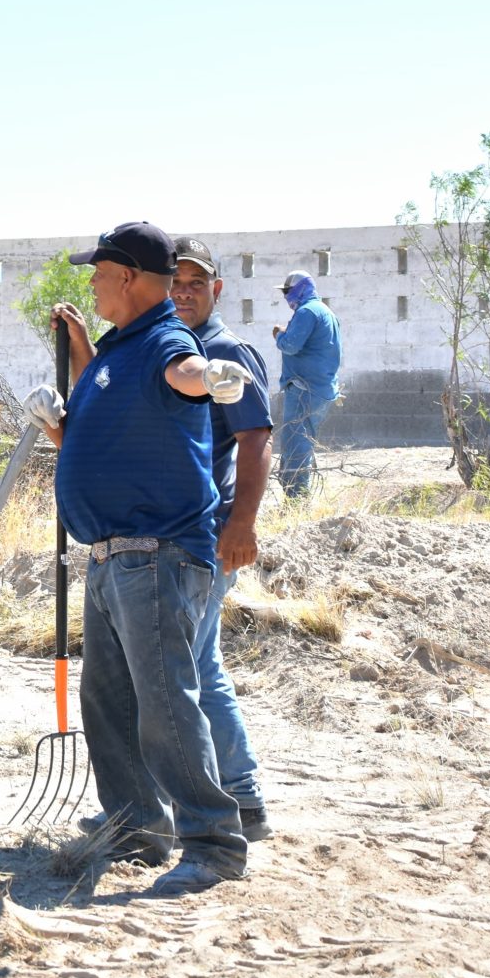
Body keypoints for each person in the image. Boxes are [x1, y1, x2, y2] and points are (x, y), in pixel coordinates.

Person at [25, 220, 253, 895]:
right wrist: (57, 425)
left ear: (128, 278)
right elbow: (107, 435)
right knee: (110, 704)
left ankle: (213, 843)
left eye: (98, 272)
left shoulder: (164, 341)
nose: (90, 282)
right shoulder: (116, 352)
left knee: (165, 705)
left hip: (155, 552)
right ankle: (137, 828)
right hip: (108, 555)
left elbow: (182, 375)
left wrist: (209, 378)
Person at [168, 237, 274, 841]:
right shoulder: (174, 350)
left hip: (209, 532)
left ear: (216, 289)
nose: (184, 292)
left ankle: (241, 796)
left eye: (194, 283)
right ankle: (234, 796)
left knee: (194, 665)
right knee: (195, 662)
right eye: (175, 283)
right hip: (174, 531)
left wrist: (242, 525)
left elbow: (257, 439)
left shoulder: (227, 353)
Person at [272, 271, 343, 495]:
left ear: (300, 289)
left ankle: (296, 498)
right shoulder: (325, 311)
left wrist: (278, 335)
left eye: (287, 291)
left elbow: (290, 345)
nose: (285, 297)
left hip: (304, 390)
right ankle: (298, 494)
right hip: (320, 390)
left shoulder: (306, 312)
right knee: (303, 443)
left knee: (295, 445)